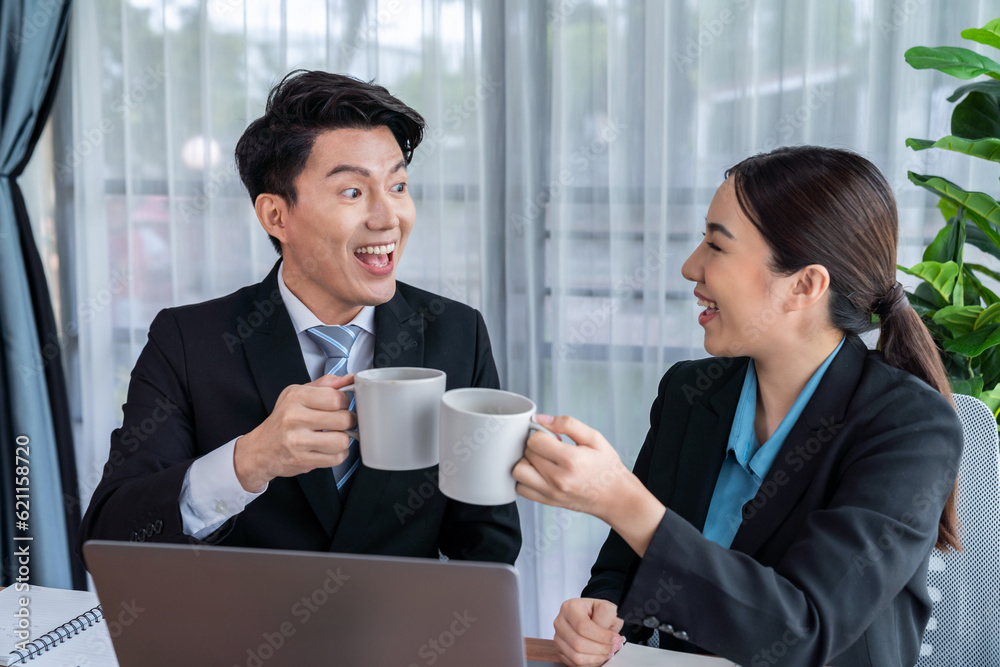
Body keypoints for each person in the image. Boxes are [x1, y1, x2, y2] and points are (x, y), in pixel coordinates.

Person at [513, 146, 962, 667]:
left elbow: (804, 631)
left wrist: (618, 499)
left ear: (804, 285)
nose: (690, 267)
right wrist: (599, 613)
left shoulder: (910, 428)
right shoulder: (690, 392)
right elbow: (624, 566)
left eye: (716, 245)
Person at [77, 70, 520, 566]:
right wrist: (248, 461)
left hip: (409, 619)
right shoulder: (187, 341)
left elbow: (488, 544)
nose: (387, 217)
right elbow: (111, 538)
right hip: (244, 618)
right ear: (276, 216)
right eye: (352, 192)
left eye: (397, 186)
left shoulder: (457, 334)